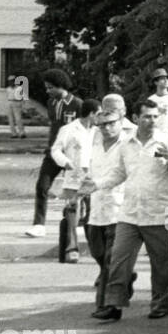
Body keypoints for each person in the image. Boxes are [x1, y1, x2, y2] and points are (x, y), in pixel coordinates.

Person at [84, 99, 168, 322]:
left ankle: (160, 305)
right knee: (119, 258)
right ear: (136, 118)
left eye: (155, 116)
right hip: (130, 212)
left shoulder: (166, 140)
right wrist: (97, 184)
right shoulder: (126, 143)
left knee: (162, 262)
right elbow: (120, 172)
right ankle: (114, 304)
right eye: (147, 116)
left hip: (160, 211)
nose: (152, 121)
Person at [81, 105, 133, 316]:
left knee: (110, 261)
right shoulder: (95, 145)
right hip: (96, 210)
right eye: (102, 125)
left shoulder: (128, 145)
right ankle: (126, 278)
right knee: (100, 256)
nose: (107, 128)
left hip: (119, 209)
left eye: (111, 123)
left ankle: (109, 306)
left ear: (121, 122)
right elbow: (88, 173)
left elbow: (128, 174)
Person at [25, 69, 80, 241]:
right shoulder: (51, 103)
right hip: (52, 152)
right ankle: (39, 225)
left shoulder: (77, 104)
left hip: (71, 154)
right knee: (42, 187)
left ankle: (78, 224)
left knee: (75, 190)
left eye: (50, 88)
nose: (48, 91)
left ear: (60, 86)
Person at [50, 98, 100, 264]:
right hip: (74, 173)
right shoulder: (69, 129)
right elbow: (55, 150)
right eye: (98, 114)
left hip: (92, 174)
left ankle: (96, 247)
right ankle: (72, 246)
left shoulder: (97, 131)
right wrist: (65, 162)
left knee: (93, 211)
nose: (99, 118)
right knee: (73, 209)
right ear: (91, 113)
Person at [6, 74, 26, 139]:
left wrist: (22, 106)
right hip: (10, 102)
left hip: (17, 103)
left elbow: (23, 97)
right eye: (9, 81)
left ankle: (22, 133)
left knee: (18, 119)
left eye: (12, 81)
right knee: (11, 119)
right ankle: (13, 134)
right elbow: (7, 96)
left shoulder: (19, 88)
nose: (11, 82)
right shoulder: (8, 89)